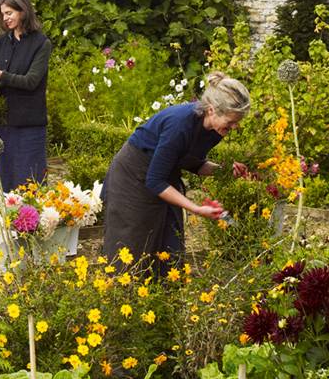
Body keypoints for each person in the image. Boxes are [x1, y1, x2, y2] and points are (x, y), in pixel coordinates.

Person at [101, 75, 251, 269]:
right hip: (133, 176)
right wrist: (196, 208)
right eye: (231, 121)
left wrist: (223, 170)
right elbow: (155, 181)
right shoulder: (179, 124)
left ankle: (162, 296)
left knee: (169, 245)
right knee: (132, 247)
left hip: (161, 175)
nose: (235, 127)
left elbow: (193, 163)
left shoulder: (215, 129)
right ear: (212, 109)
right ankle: (122, 296)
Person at [0, 0, 52, 192]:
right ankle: (2, 223)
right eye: (3, 14)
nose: (5, 18)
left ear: (23, 11)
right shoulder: (1, 42)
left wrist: (0, 75)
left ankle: (30, 223)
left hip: (29, 125)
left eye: (9, 13)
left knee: (30, 185)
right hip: (2, 124)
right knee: (1, 182)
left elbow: (31, 81)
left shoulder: (41, 43)